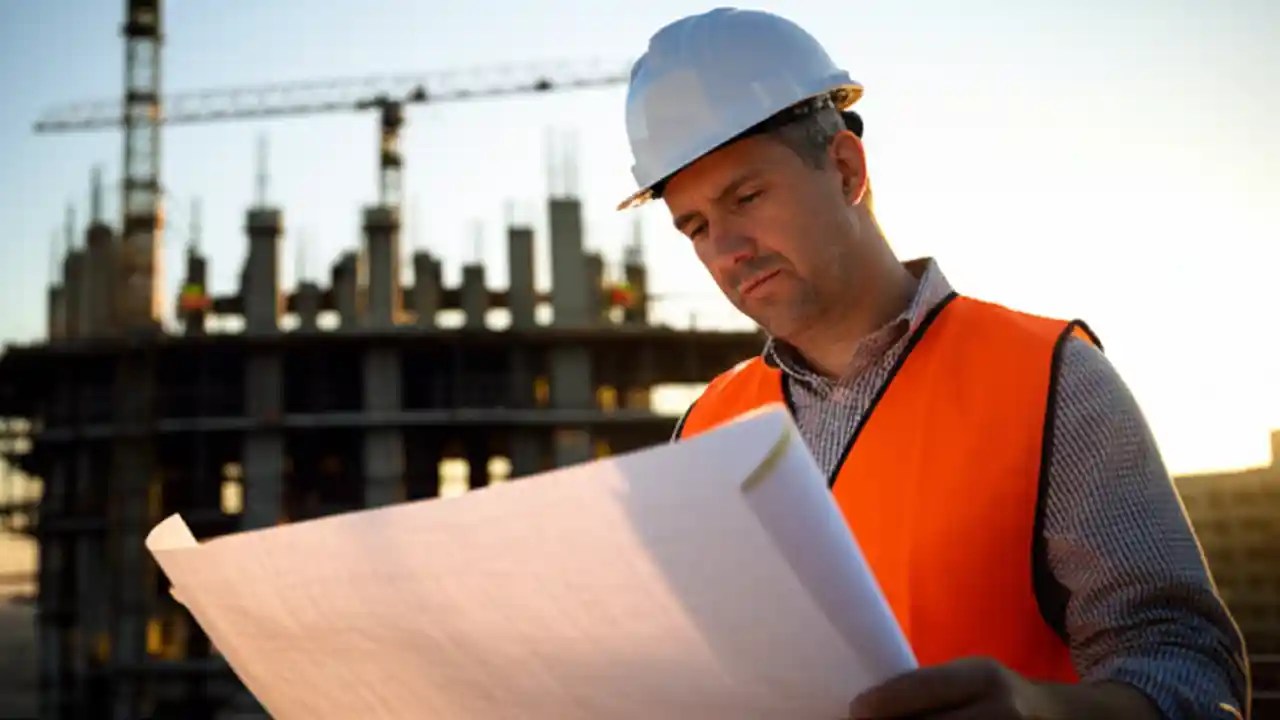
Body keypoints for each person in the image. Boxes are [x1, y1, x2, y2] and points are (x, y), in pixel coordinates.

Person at [616, 8, 1250, 720]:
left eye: (748, 197)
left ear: (846, 168)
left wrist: (1045, 713)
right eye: (696, 227)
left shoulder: (1048, 378)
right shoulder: (707, 426)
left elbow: (1187, 666)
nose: (726, 247)